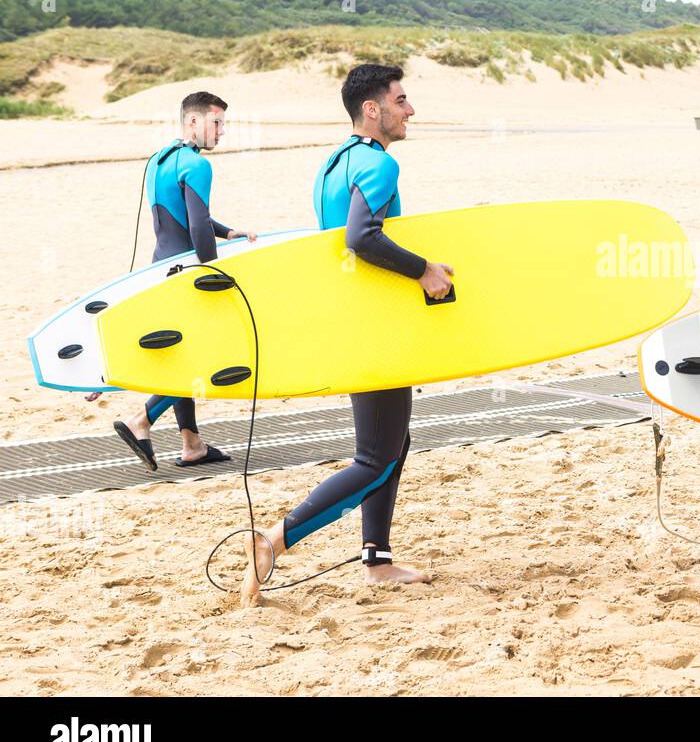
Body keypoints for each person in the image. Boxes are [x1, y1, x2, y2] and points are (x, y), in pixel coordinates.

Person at [241, 64, 453, 605]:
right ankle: (275, 539)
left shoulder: (333, 164)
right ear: (373, 109)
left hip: (352, 321)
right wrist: (424, 269)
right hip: (373, 330)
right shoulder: (378, 165)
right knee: (375, 457)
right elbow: (362, 238)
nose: (411, 111)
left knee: (390, 444)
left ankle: (376, 559)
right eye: (402, 101)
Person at [113, 91, 257, 470]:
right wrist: (214, 269)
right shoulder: (197, 165)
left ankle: (191, 444)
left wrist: (228, 234)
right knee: (203, 353)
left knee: (181, 353)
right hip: (185, 272)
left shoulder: (161, 159)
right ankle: (141, 419)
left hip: (160, 267)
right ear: (193, 122)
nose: (222, 131)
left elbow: (182, 216)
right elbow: (196, 225)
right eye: (217, 122)